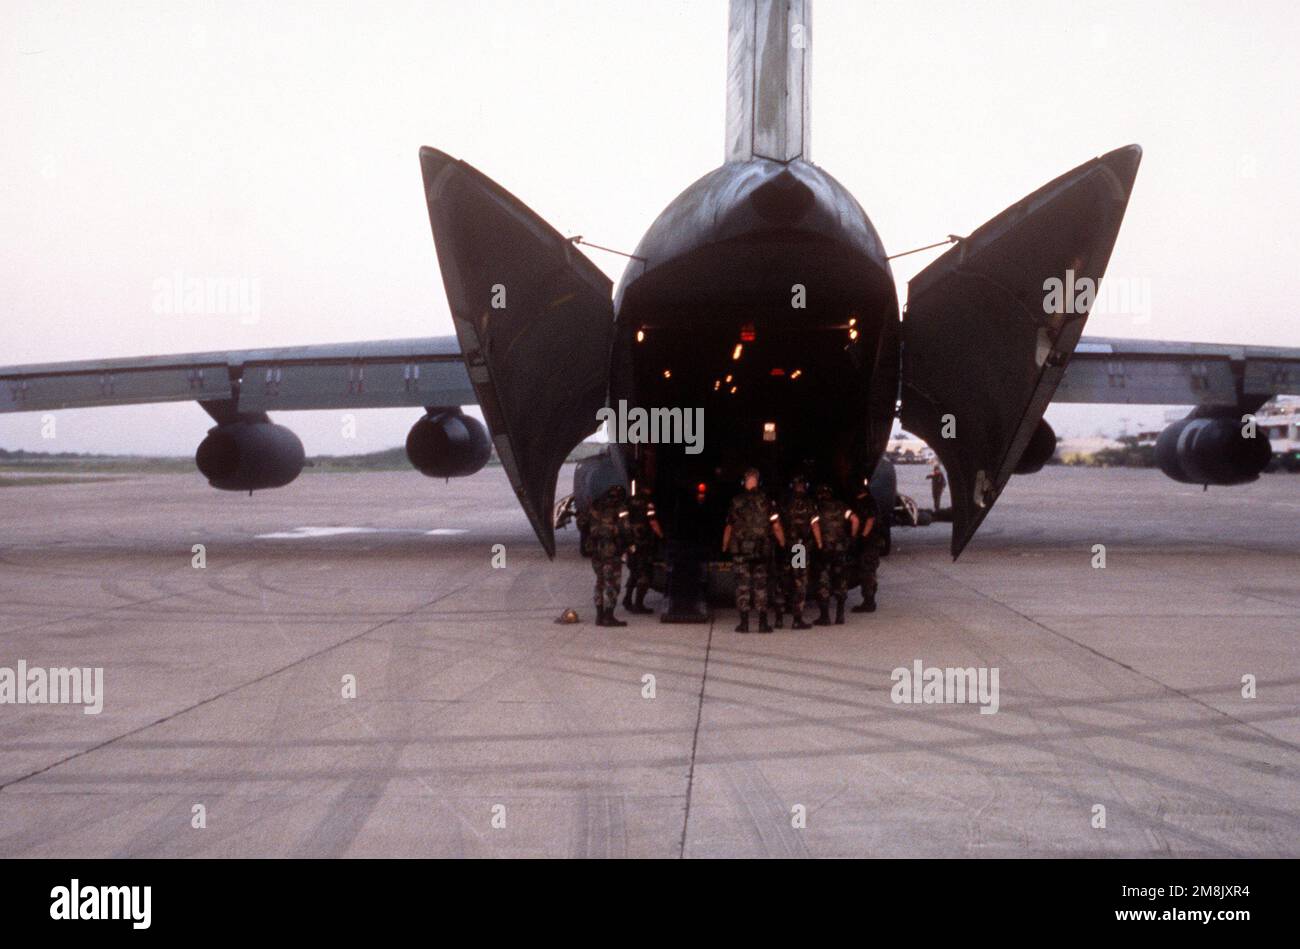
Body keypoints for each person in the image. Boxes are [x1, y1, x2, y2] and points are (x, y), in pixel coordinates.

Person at [721, 467, 785, 633]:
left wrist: (724, 545)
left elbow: (729, 526)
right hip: (761, 551)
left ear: (744, 482)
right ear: (759, 482)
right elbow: (776, 525)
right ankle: (763, 624)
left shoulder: (736, 501)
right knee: (760, 586)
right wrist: (783, 543)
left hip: (741, 552)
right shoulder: (767, 501)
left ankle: (744, 624)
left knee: (743, 586)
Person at [579, 483, 635, 628]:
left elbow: (581, 524)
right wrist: (630, 544)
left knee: (600, 582)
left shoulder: (594, 506)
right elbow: (626, 528)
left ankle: (599, 616)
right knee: (613, 584)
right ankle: (609, 616)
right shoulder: (620, 508)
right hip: (611, 550)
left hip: (596, 550)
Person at [773, 474, 819, 630]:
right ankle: (797, 619)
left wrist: (781, 542)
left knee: (783, 581)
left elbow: (776, 523)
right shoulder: (809, 503)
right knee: (799, 581)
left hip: (786, 546)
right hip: (799, 548)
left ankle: (779, 618)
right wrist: (819, 543)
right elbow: (815, 525)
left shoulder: (784, 503)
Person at [812, 483, 858, 625]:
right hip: (840, 548)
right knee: (840, 579)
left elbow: (814, 525)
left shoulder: (816, 507)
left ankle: (823, 616)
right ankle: (840, 615)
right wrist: (852, 537)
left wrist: (819, 543)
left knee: (822, 580)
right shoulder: (841, 506)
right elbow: (855, 519)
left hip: (805, 547)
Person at [622, 482, 663, 615]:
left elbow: (623, 521)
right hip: (643, 543)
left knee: (634, 572)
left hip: (631, 543)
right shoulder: (648, 503)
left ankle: (627, 599)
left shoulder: (628, 502)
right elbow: (652, 521)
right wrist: (661, 535)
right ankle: (639, 604)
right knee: (645, 573)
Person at [850, 474, 881, 613]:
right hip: (802, 545)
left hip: (798, 545)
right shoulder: (866, 502)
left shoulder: (865, 503)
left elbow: (867, 520)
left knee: (867, 570)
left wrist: (860, 536)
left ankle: (796, 611)